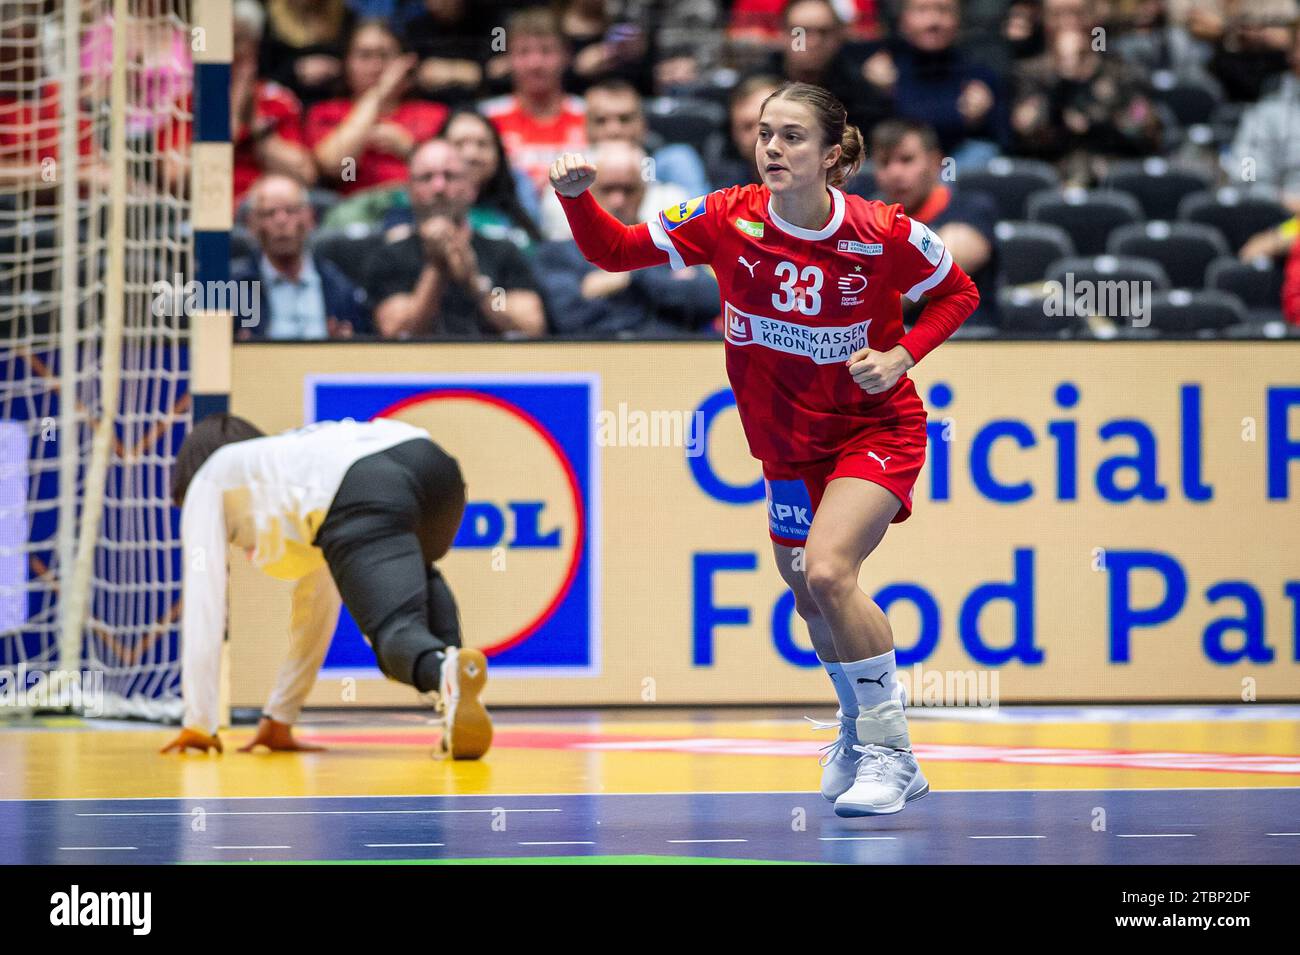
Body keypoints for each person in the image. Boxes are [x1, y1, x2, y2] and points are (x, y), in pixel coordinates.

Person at [551, 81, 979, 817]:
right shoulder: (725, 217)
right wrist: (576, 199)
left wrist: (904, 354)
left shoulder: (882, 231)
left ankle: (893, 751)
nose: (772, 148)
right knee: (808, 597)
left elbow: (959, 293)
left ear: (832, 153)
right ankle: (854, 724)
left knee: (830, 569)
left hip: (875, 429)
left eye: (791, 137)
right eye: (763, 134)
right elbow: (616, 251)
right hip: (785, 447)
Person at [161, 414, 491, 759]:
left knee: (394, 629)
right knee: (420, 576)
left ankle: (444, 674)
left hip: (367, 484)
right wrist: (279, 717)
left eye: (233, 534)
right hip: (435, 468)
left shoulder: (210, 478)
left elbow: (204, 600)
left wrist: (199, 721)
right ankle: (457, 692)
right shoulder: (294, 463)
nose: (239, 545)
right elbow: (314, 605)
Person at [365, 139, 547, 338]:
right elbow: (396, 332)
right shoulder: (390, 256)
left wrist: (474, 283)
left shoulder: (503, 251)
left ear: (471, 188)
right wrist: (436, 267)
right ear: (409, 191)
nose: (439, 187)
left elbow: (531, 326)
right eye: (426, 177)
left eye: (450, 176)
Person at [534, 140, 720, 335]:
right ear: (589, 191)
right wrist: (657, 291)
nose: (618, 200)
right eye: (608, 189)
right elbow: (567, 318)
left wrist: (629, 276)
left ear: (644, 193)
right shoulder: (559, 252)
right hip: (592, 357)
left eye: (628, 189)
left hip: (666, 358)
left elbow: (710, 300)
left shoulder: (666, 242)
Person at [871, 119, 998, 325]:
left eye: (906, 160)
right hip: (890, 349)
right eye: (884, 162)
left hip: (968, 345)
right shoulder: (869, 218)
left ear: (935, 162)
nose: (895, 173)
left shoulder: (971, 207)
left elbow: (939, 266)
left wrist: (866, 302)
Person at [305, 20, 448, 196]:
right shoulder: (326, 112)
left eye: (384, 55)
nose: (375, 66)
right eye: (365, 56)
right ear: (347, 63)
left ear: (404, 63)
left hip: (419, 204)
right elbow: (335, 165)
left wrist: (410, 151)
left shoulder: (434, 114)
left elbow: (450, 175)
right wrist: (380, 92)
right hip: (353, 212)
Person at [232, 175, 371, 340]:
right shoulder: (234, 288)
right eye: (269, 213)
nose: (281, 221)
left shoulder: (339, 285)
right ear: (252, 224)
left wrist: (348, 344)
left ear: (310, 218)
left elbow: (365, 338)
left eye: (291, 211)